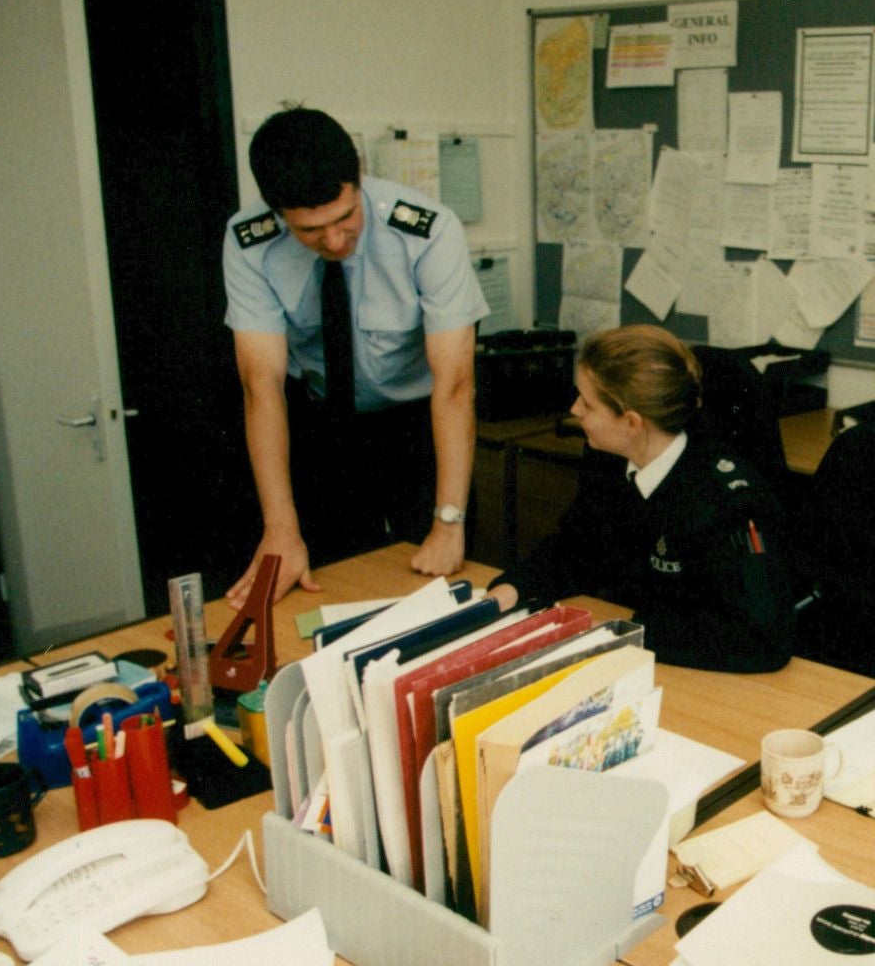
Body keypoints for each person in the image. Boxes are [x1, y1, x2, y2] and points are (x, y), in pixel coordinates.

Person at [222, 108, 487, 605]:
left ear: (359, 175)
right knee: (327, 583)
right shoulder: (250, 242)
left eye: (345, 218)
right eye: (310, 230)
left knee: (438, 586)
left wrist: (449, 522)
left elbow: (454, 385)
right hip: (321, 425)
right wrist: (280, 528)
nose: (334, 240)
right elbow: (261, 385)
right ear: (277, 212)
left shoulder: (427, 231)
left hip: (420, 425)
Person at [487, 325, 798, 673]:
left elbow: (762, 638)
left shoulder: (725, 501)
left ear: (632, 423)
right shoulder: (609, 458)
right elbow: (577, 547)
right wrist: (514, 588)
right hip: (635, 655)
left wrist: (627, 631)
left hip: (694, 672)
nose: (574, 409)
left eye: (587, 403)